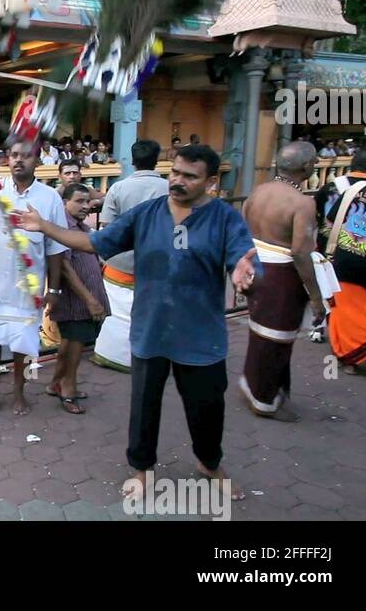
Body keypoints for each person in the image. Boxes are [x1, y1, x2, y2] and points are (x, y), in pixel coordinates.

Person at [21, 144, 257, 501]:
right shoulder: (147, 213)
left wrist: (245, 271)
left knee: (207, 408)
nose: (177, 181)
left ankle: (209, 464)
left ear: (210, 182)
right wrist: (44, 226)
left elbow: (245, 258)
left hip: (201, 336)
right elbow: (93, 242)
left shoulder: (225, 218)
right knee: (145, 404)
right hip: (150, 330)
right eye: (175, 172)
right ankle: (142, 468)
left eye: (189, 176)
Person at [0, 137, 67, 417]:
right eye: (14, 155)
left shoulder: (50, 198)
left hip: (27, 290)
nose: (19, 160)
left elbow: (56, 250)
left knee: (23, 343)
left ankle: (19, 392)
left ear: (38, 160)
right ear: (7, 158)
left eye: (27, 156)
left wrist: (54, 291)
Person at [241, 142, 333, 422]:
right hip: (281, 276)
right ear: (306, 168)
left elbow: (242, 229)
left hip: (256, 269)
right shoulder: (302, 202)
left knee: (259, 333)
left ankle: (255, 388)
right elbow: (301, 253)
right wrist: (316, 296)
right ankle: (263, 401)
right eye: (314, 162)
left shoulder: (259, 192)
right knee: (276, 340)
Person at [92, 140, 169, 373]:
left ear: (133, 161)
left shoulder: (118, 188)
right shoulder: (169, 189)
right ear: (157, 160)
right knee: (153, 313)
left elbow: (107, 227)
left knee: (117, 314)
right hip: (158, 264)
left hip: (120, 263)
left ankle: (112, 357)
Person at [315, 142, 366, 377]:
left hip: (342, 263)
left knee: (345, 313)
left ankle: (347, 361)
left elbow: (331, 222)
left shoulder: (355, 190)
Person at [47, 184, 109, 414]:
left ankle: (56, 383)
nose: (86, 206)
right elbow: (64, 267)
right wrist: (89, 299)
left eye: (87, 201)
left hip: (84, 298)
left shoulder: (79, 226)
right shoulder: (63, 229)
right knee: (75, 347)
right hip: (75, 301)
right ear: (64, 203)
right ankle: (67, 388)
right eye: (79, 201)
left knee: (70, 344)